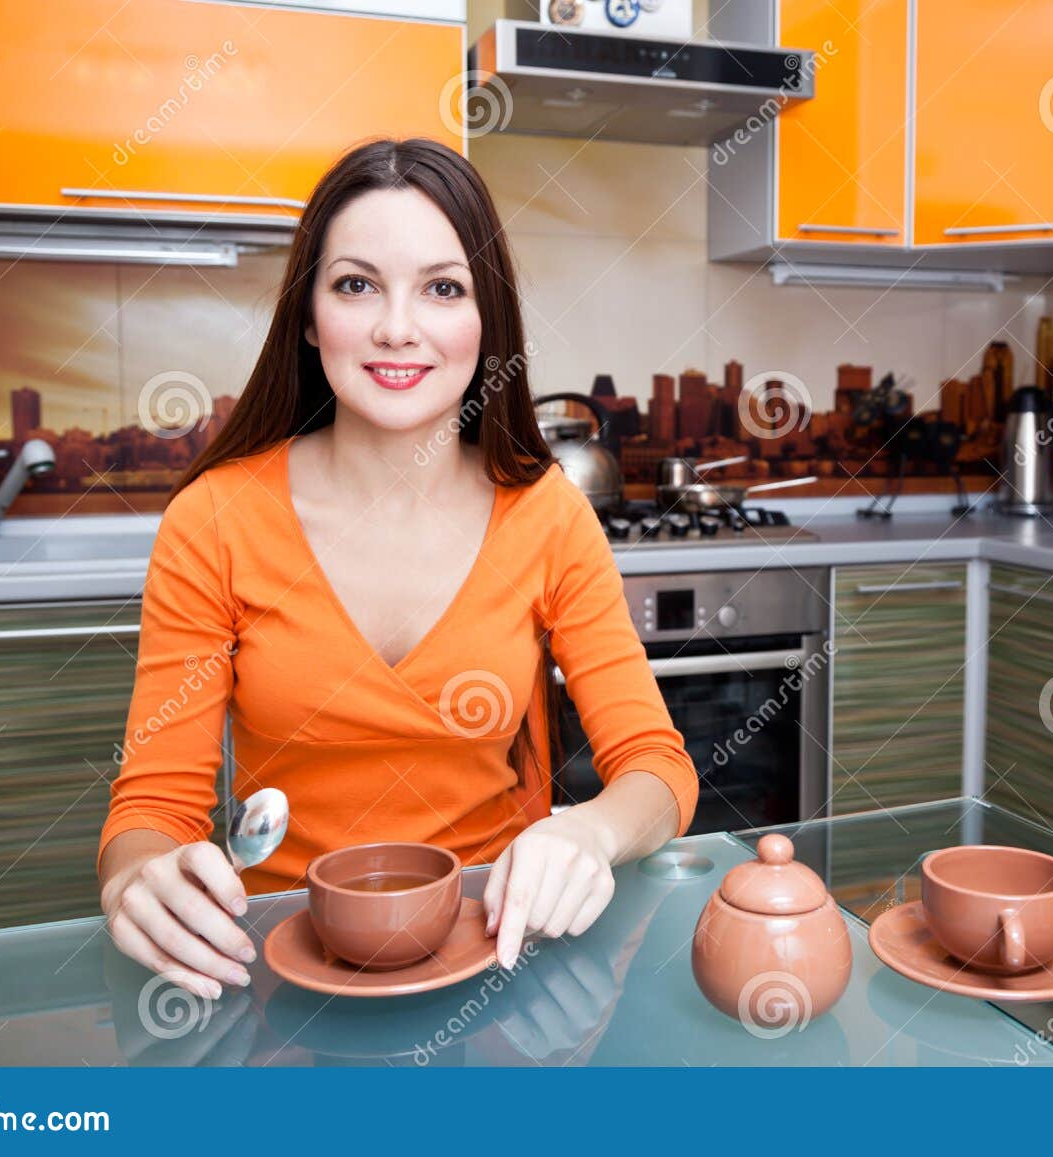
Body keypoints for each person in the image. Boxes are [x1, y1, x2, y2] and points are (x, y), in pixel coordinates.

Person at [97, 137, 698, 1001]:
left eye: (443, 288)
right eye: (356, 284)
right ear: (308, 318)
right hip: (278, 967)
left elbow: (657, 765)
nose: (396, 326)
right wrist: (137, 880)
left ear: (486, 320)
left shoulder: (548, 514)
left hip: (502, 953)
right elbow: (152, 809)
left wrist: (593, 833)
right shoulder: (214, 521)